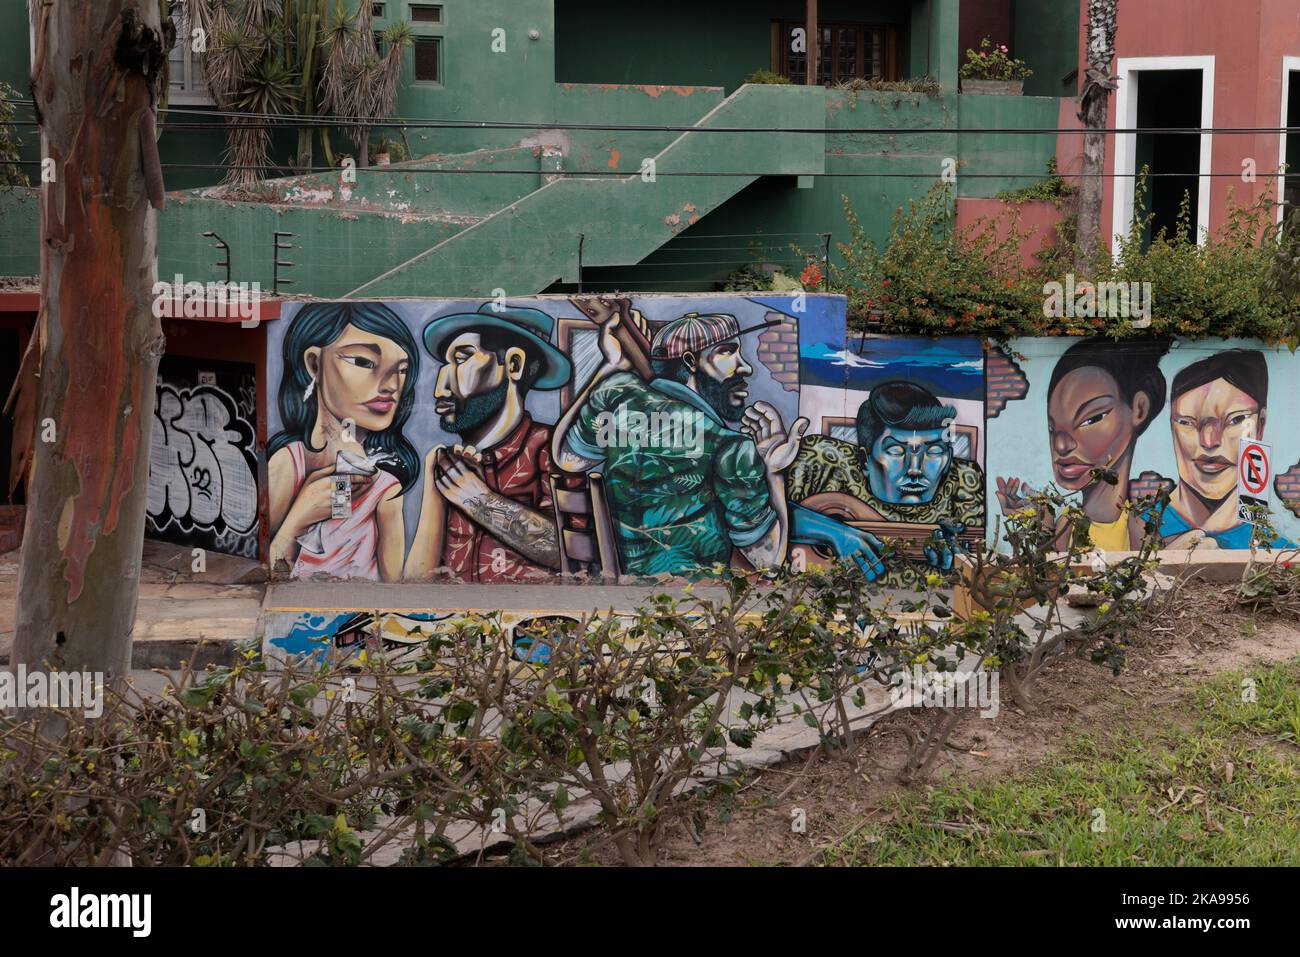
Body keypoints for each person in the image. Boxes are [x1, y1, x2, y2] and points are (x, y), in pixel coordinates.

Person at [552, 307, 810, 577]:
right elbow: (768, 562)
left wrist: (608, 369)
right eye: (727, 352)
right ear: (690, 362)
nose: (745, 366)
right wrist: (773, 472)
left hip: (623, 585)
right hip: (695, 596)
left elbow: (566, 459)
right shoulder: (729, 446)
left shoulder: (615, 394)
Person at [403, 302, 572, 582]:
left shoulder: (553, 449)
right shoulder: (446, 462)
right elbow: (416, 581)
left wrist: (478, 499)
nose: (439, 388)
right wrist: (436, 492)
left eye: (461, 359)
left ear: (514, 364)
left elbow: (574, 553)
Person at [267, 302, 420, 580]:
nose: (390, 385)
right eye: (363, 362)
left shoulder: (386, 489)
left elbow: (392, 590)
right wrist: (299, 516)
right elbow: (267, 575)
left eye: (401, 369)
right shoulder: (289, 465)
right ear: (314, 363)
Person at [787, 381, 977, 574]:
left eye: (934, 451)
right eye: (896, 451)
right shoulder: (821, 462)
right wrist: (832, 532)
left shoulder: (964, 481)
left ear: (948, 459)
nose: (914, 469)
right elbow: (764, 512)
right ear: (863, 460)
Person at [996, 339, 1169, 551]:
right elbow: (1047, 576)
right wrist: (1044, 521)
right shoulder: (1067, 521)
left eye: (1090, 419)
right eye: (1053, 429)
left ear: (1139, 409)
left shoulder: (1134, 525)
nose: (1061, 445)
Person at [1160, 349, 1290, 549]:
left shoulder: (1280, 552)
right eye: (1186, 422)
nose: (1210, 441)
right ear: (1172, 427)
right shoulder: (1138, 527)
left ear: (1261, 424)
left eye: (1235, 420)